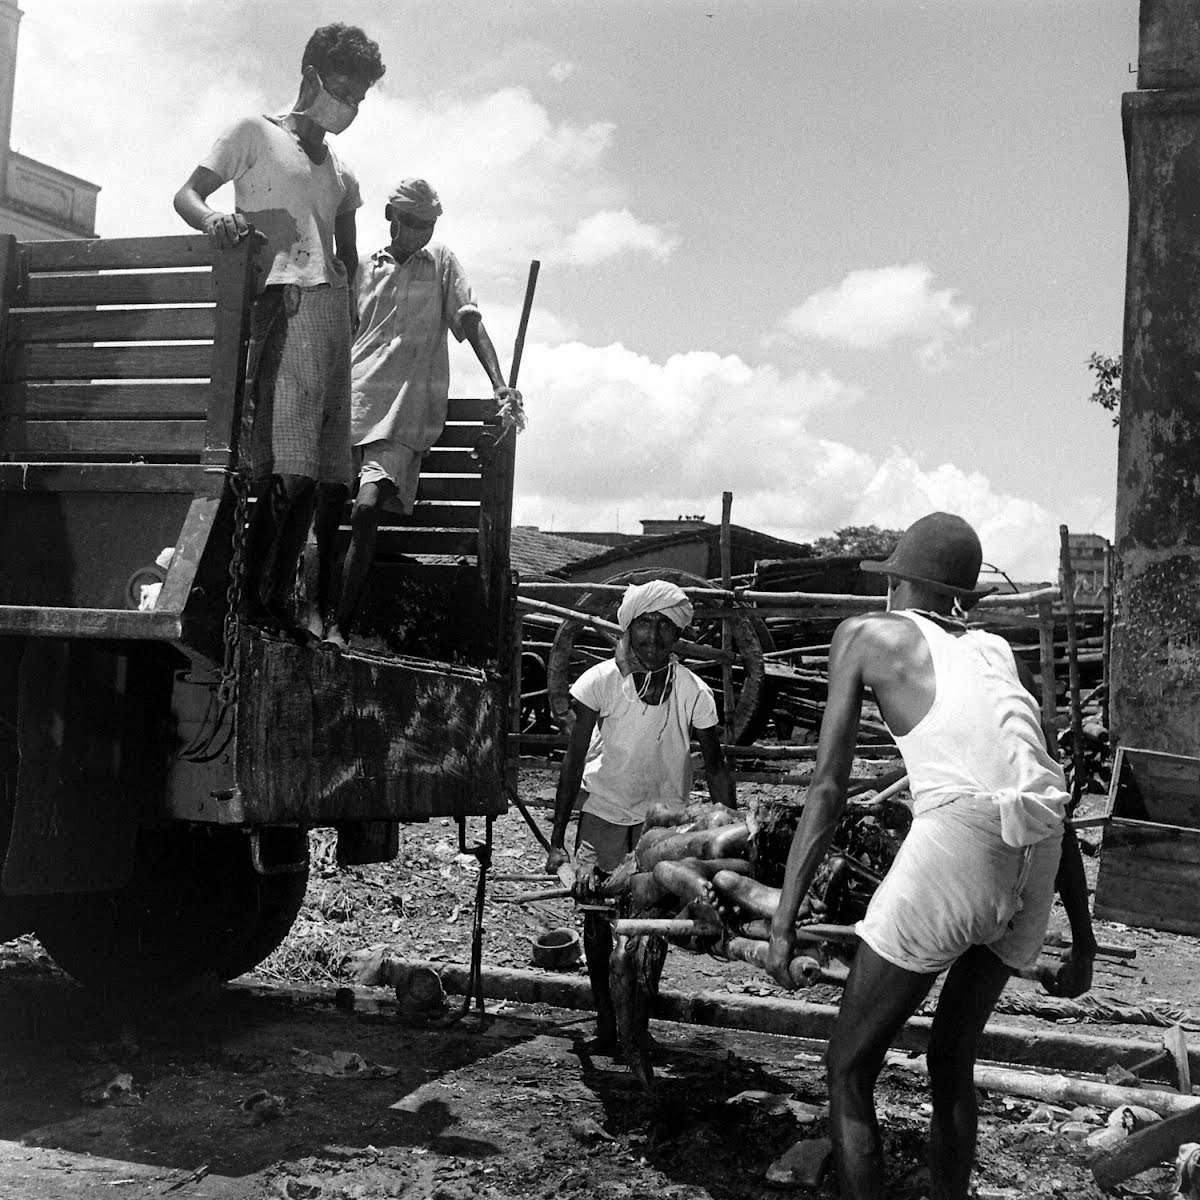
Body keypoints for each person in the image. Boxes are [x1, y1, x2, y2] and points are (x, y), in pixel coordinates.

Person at [766, 512, 1096, 1200]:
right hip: (1037, 856)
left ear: (897, 584)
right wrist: (1083, 942)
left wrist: (782, 922)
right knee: (952, 1057)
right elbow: (1047, 791)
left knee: (849, 1069)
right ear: (964, 600)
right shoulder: (1001, 653)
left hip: (961, 842)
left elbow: (827, 787)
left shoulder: (864, 635)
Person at [173, 23, 385, 643]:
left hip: (333, 317)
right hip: (284, 303)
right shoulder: (253, 133)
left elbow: (347, 254)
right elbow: (188, 194)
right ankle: (257, 599)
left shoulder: (340, 172)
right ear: (311, 75)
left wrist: (358, 314)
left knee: (321, 475)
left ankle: (279, 600)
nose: (349, 107)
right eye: (343, 90)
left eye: (360, 99)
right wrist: (216, 219)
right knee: (285, 467)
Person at [319, 178, 521, 647]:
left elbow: (468, 319)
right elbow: (339, 333)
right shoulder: (364, 268)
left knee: (367, 510)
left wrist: (499, 383)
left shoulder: (442, 263)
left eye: (428, 223)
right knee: (326, 512)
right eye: (412, 221)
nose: (421, 232)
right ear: (392, 217)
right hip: (350, 403)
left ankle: (339, 627)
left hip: (402, 415)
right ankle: (315, 611)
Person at [544, 580, 736, 1050]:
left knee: (651, 925)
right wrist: (557, 840)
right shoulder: (600, 683)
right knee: (597, 915)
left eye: (665, 625)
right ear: (628, 626)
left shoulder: (694, 693)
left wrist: (732, 826)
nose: (653, 635)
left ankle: (638, 1026)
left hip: (664, 829)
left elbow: (714, 766)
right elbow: (572, 764)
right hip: (606, 811)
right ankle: (607, 1025)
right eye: (645, 623)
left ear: (679, 635)